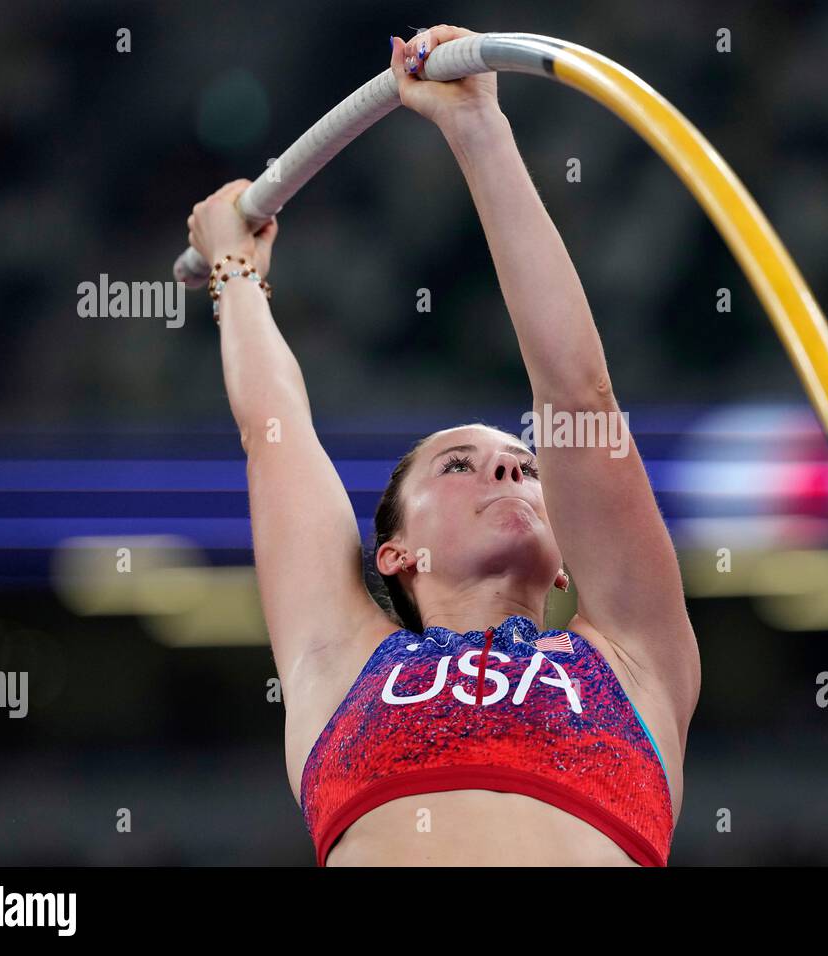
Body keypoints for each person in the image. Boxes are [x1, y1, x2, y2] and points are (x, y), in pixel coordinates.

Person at [186, 23, 700, 866]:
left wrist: (479, 130)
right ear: (394, 554)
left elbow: (575, 393)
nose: (504, 467)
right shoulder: (337, 662)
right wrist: (235, 273)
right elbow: (274, 435)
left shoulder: (637, 662)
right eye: (459, 466)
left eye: (526, 468)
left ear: (567, 556)